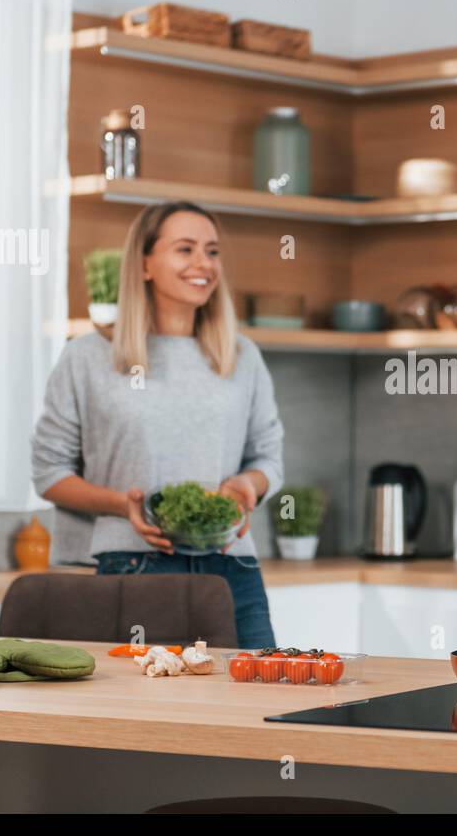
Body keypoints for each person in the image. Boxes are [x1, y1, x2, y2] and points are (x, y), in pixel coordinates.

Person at [31, 201, 284, 647]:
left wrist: (249, 484)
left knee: (256, 704)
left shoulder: (242, 357)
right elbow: (49, 473)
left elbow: (268, 455)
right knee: (146, 710)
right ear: (144, 263)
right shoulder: (87, 357)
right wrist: (119, 504)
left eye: (212, 251)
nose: (203, 264)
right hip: (133, 567)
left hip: (232, 567)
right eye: (185, 249)